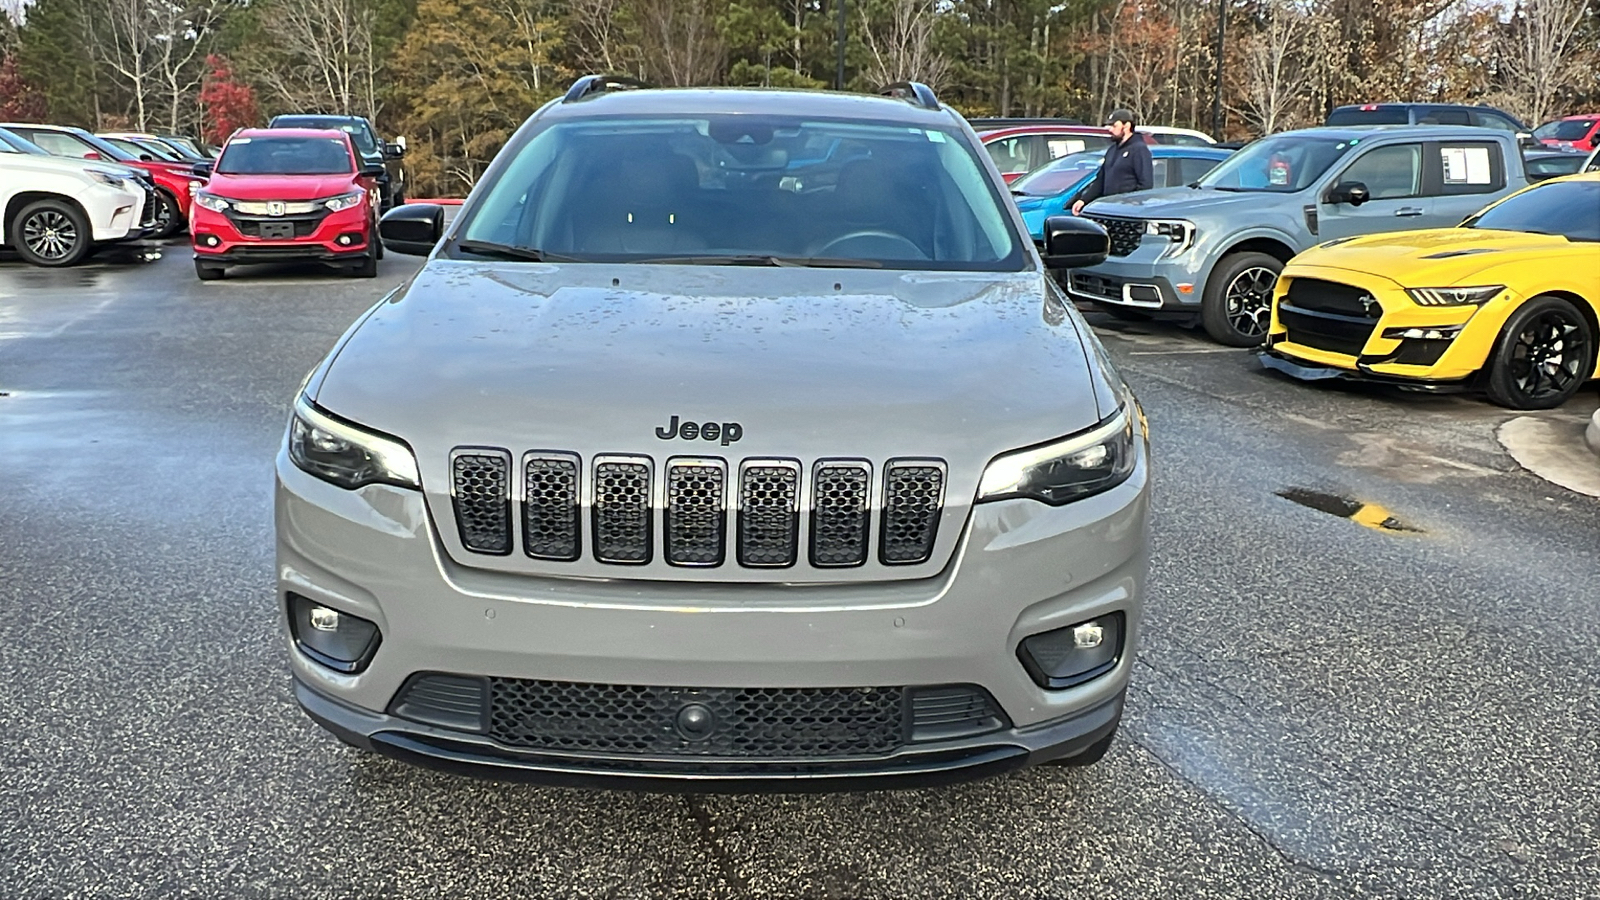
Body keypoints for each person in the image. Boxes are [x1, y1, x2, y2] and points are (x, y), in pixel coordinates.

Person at [1071, 108, 1154, 215]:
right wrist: (1083, 200)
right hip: (1109, 209)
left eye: (1114, 126)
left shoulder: (1139, 149)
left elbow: (1146, 184)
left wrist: (1131, 204)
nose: (1110, 129)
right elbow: (1100, 181)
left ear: (1127, 126)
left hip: (1127, 212)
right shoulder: (1112, 150)